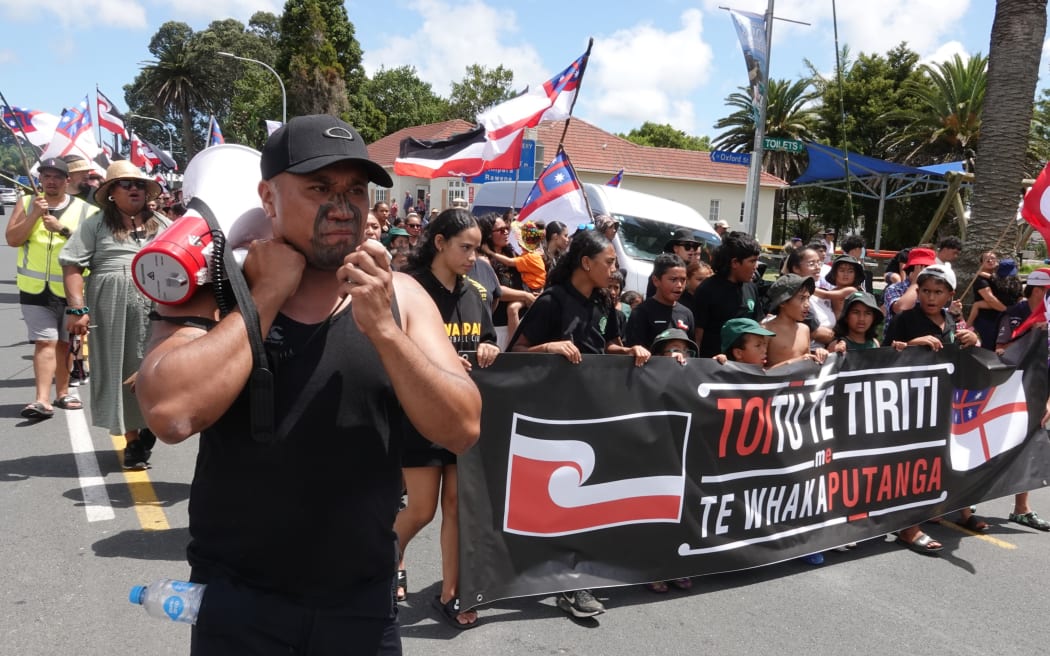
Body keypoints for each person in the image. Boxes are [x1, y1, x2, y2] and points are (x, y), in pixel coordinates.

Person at [135, 115, 482, 655]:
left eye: (355, 190)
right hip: (238, 603)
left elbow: (462, 427)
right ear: (268, 198)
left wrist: (385, 332)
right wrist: (268, 295)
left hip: (360, 604)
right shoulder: (220, 288)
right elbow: (171, 414)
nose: (343, 206)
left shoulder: (401, 297)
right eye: (319, 187)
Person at [508, 229, 648, 619]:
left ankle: (575, 576)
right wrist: (547, 347)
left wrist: (629, 349)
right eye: (609, 262)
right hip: (553, 419)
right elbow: (514, 355)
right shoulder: (551, 302)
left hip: (595, 415)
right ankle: (569, 582)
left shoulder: (606, 304)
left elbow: (608, 347)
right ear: (586, 263)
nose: (614, 268)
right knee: (561, 501)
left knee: (588, 502)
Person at [396, 209, 499, 630]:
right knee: (420, 509)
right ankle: (389, 560)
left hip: (459, 421)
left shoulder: (474, 293)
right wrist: (435, 362)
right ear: (439, 242)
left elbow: (489, 341)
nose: (473, 256)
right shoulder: (409, 289)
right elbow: (391, 346)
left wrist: (489, 350)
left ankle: (451, 594)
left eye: (477, 248)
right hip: (417, 416)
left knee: (457, 508)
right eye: (465, 247)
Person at [60, 160, 170, 469]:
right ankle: (132, 439)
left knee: (158, 365)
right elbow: (71, 264)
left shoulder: (162, 222)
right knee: (120, 367)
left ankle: (152, 422)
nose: (134, 189)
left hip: (159, 303)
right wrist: (77, 308)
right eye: (126, 184)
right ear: (111, 193)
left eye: (139, 184)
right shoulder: (95, 224)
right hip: (111, 307)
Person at [885, 264, 982, 554]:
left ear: (950, 294)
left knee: (945, 459)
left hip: (944, 402)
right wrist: (914, 343)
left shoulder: (952, 321)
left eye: (938, 292)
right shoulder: (906, 318)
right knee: (914, 464)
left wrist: (972, 340)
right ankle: (909, 528)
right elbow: (884, 355)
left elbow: (967, 355)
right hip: (909, 403)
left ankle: (949, 509)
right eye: (925, 291)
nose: (930, 297)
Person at [6, 157, 94, 419]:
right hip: (34, 289)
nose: (51, 181)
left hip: (72, 289)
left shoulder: (86, 211)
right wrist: (34, 214)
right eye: (46, 176)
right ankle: (41, 399)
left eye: (57, 176)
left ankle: (63, 392)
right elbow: (12, 239)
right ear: (40, 179)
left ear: (68, 181)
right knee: (45, 341)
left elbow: (92, 248)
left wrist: (63, 229)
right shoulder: (25, 203)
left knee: (66, 344)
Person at [692, 231, 762, 357]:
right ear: (735, 263)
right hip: (715, 365)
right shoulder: (707, 289)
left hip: (743, 366)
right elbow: (698, 333)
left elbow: (757, 327)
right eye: (752, 261)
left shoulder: (751, 288)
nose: (756, 266)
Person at [477, 212, 536, 348]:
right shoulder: (482, 260)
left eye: (507, 228)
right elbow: (496, 290)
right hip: (498, 329)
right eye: (500, 230)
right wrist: (525, 296)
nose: (505, 232)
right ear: (488, 234)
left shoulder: (513, 254)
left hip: (520, 323)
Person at [624, 253, 694, 349]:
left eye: (683, 280)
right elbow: (634, 351)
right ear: (656, 281)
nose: (679, 285)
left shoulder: (687, 314)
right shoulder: (642, 312)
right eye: (673, 279)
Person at [883, 247, 936, 338]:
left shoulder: (935, 292)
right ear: (911, 271)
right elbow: (901, 308)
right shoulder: (894, 289)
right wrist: (916, 283)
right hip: (898, 345)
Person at [968, 251, 1010, 349]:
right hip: (986, 320)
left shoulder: (1000, 277)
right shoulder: (980, 280)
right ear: (981, 263)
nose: (990, 260)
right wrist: (1008, 310)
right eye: (986, 259)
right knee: (988, 349)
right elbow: (990, 299)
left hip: (1000, 319)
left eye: (993, 258)